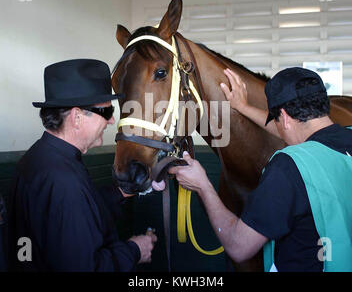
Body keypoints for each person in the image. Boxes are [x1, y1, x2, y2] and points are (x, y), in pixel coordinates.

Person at [169, 67, 352, 272]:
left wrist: (203, 186)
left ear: (283, 116)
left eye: (275, 119)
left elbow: (239, 247)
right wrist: (243, 107)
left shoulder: (289, 166)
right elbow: (292, 130)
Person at [8, 59, 157, 272]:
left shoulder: (37, 159)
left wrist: (122, 192)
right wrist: (135, 250)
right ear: (77, 117)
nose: (112, 121)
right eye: (106, 112)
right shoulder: (64, 181)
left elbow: (73, 214)